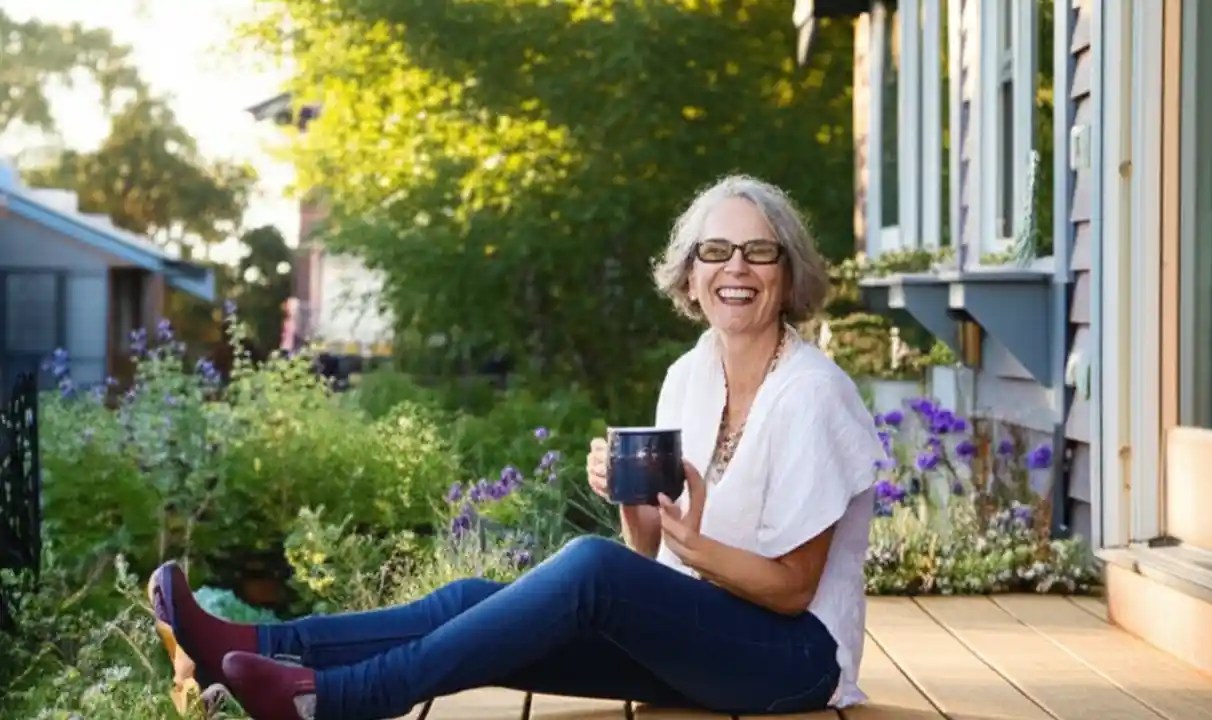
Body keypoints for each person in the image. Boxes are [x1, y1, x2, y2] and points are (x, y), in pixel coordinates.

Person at [147, 174, 885, 720]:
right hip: (697, 643)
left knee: (588, 569)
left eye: (759, 253)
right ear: (689, 274)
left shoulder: (813, 393)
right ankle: (252, 642)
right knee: (473, 597)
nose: (736, 269)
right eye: (716, 251)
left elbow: (792, 588)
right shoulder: (689, 376)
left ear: (787, 274)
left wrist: (692, 551)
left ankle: (341, 699)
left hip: (792, 662)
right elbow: (647, 558)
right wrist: (632, 504)